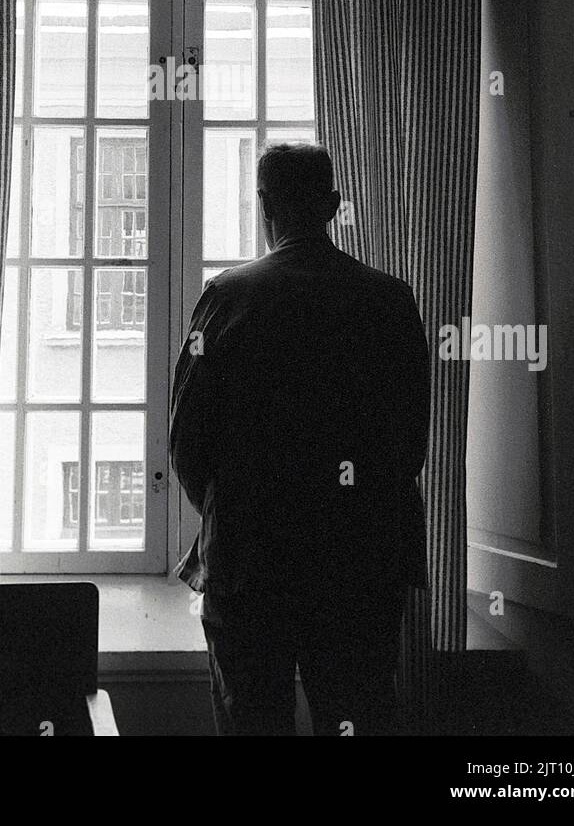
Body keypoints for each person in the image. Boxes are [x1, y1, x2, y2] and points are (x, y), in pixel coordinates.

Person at [170, 142, 430, 736]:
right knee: (359, 716)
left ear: (263, 205)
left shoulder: (228, 298)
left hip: (251, 558)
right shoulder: (390, 301)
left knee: (254, 722)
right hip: (360, 561)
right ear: (335, 204)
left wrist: (233, 507)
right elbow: (408, 446)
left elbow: (187, 442)